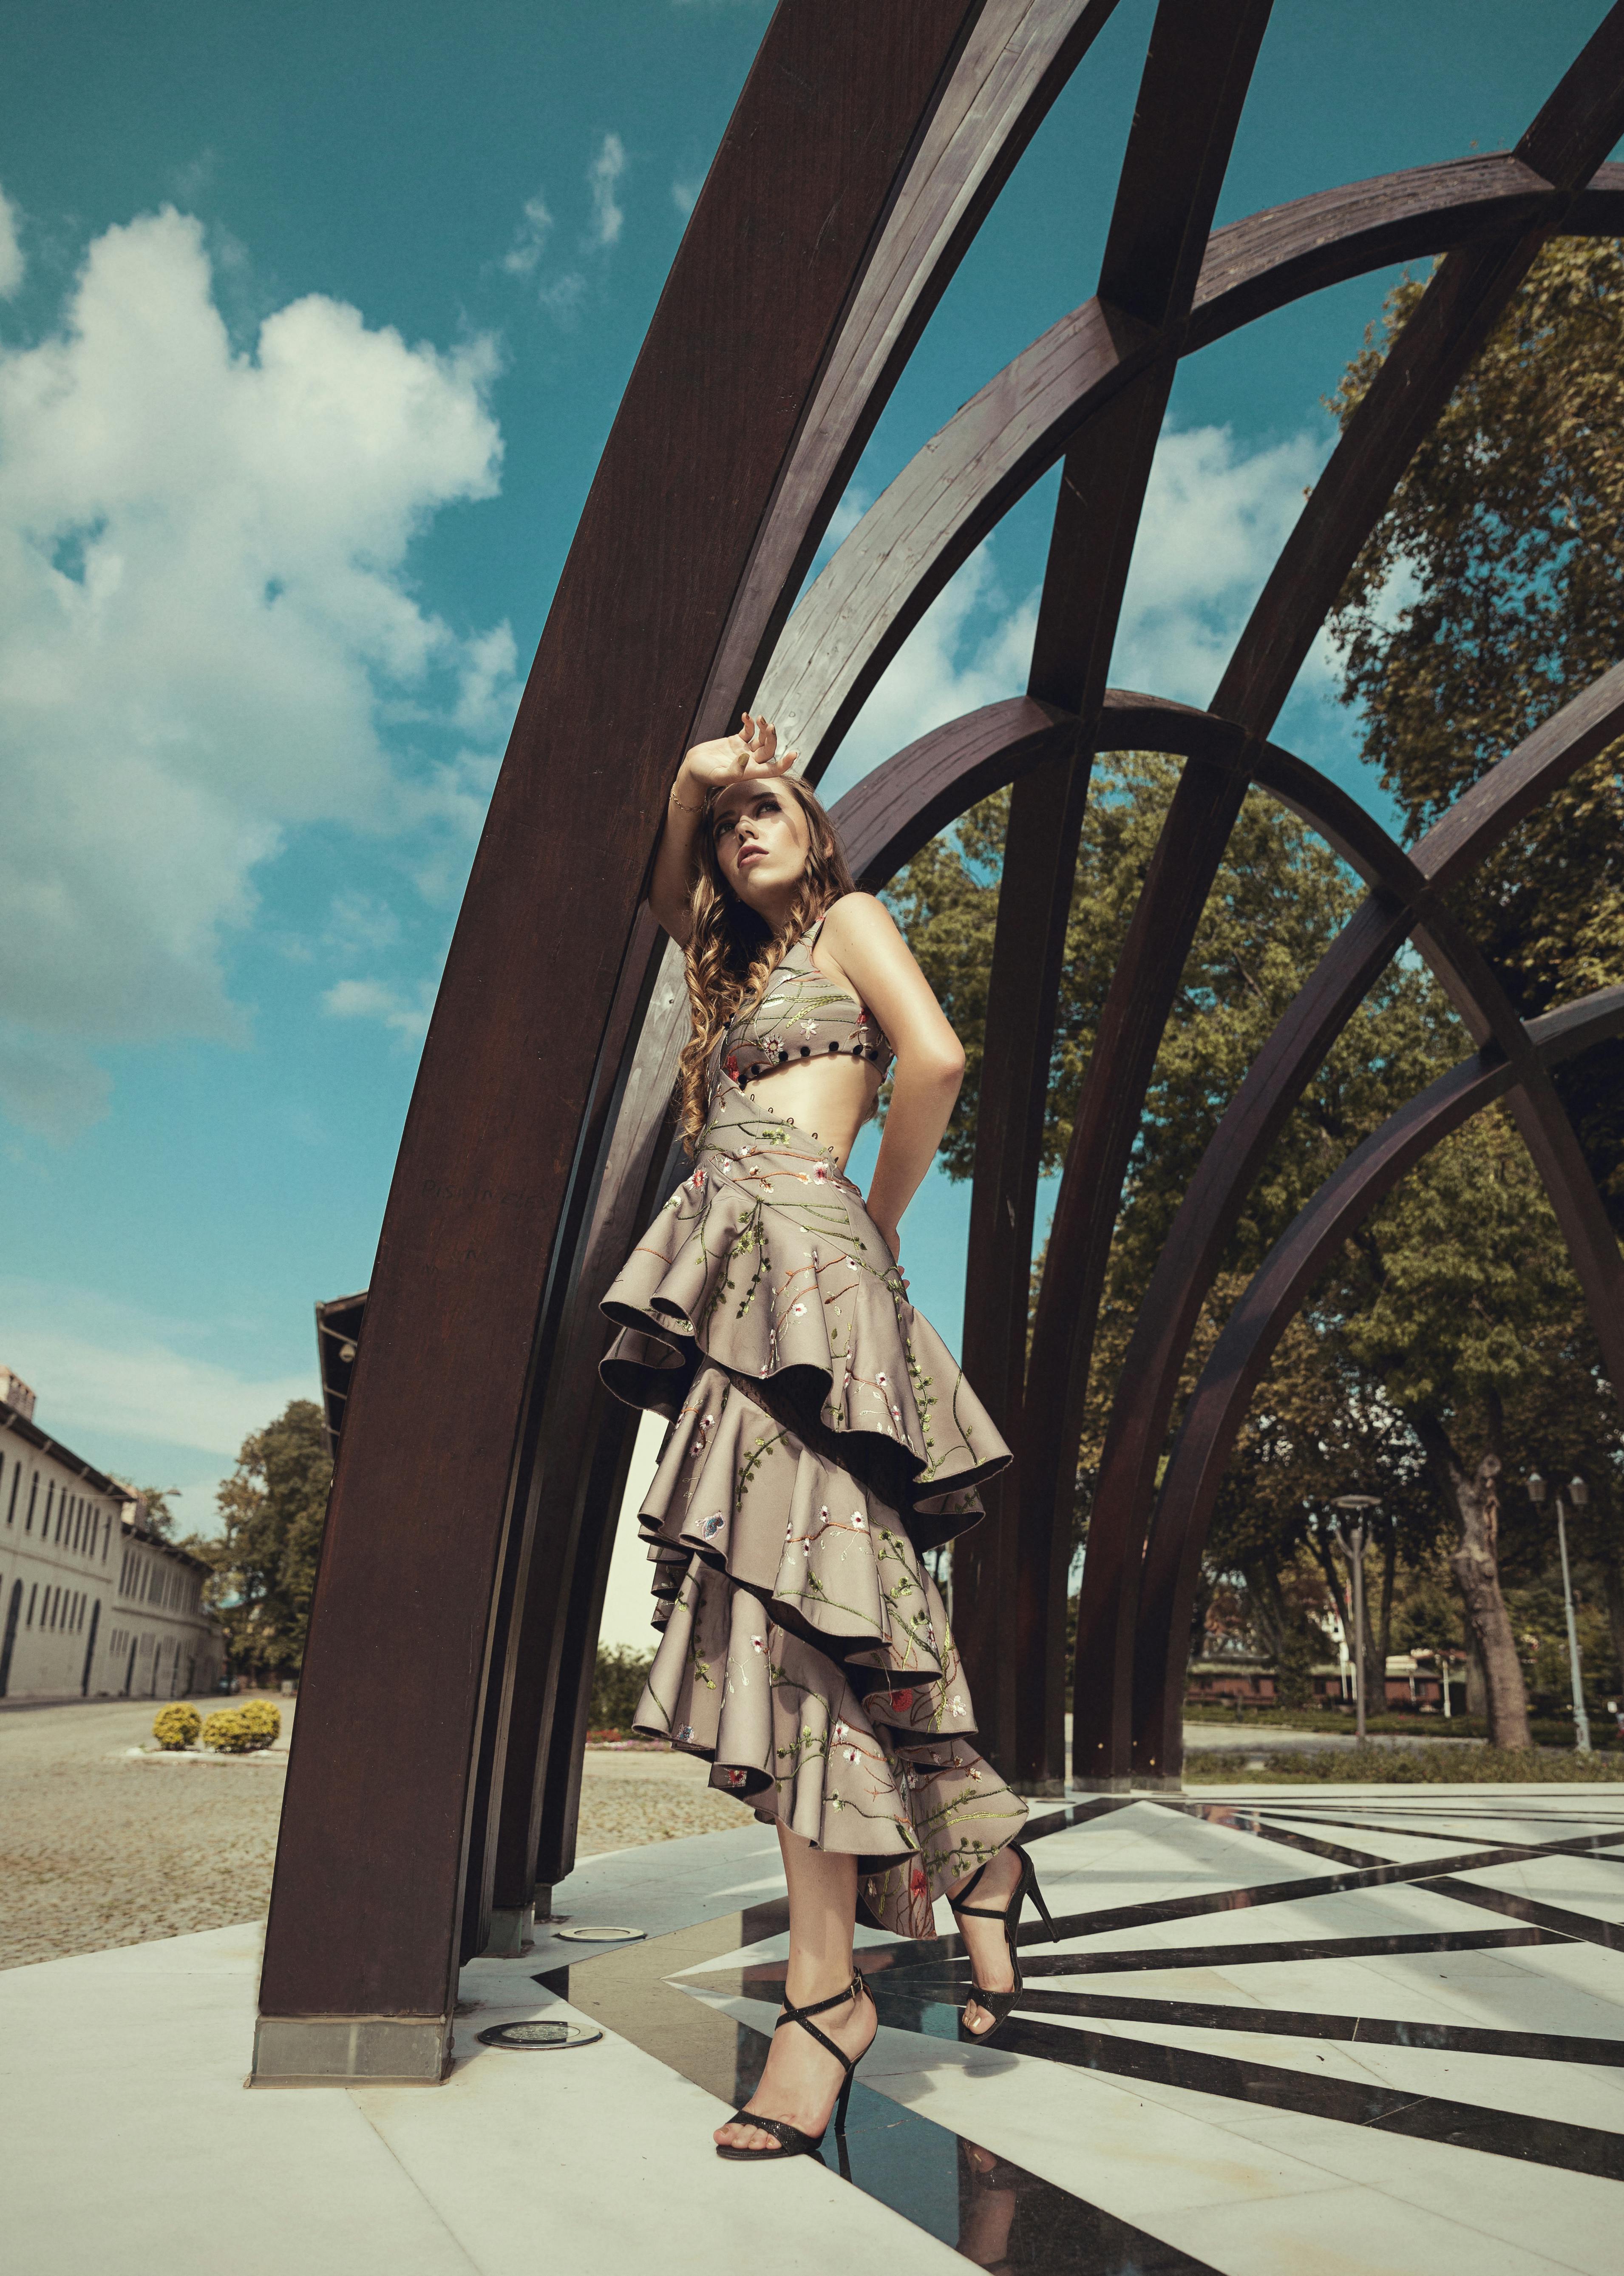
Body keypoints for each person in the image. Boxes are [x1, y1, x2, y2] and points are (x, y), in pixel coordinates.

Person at [599, 713, 1054, 2162]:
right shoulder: (726, 965)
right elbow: (661, 884)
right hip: (745, 1293)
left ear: (818, 828)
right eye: (730, 823)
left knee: (804, 1618)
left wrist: (878, 1208)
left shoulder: (850, 919)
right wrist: (694, 772)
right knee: (830, 1612)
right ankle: (980, 1864)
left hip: (812, 1269)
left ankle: (825, 1995)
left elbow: (935, 1059)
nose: (744, 831)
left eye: (771, 807)